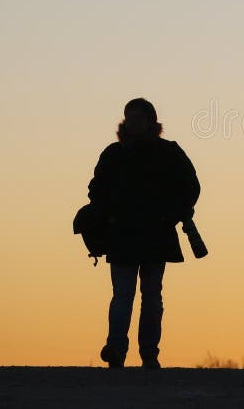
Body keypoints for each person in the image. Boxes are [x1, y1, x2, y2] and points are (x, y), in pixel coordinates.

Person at [86, 98, 201, 369]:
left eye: (137, 118)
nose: (132, 123)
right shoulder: (114, 154)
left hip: (155, 234)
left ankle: (148, 355)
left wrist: (169, 216)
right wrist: (107, 217)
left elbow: (191, 188)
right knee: (123, 295)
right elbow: (96, 191)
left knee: (151, 296)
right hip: (124, 234)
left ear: (150, 121)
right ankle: (116, 351)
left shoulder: (168, 153)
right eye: (129, 117)